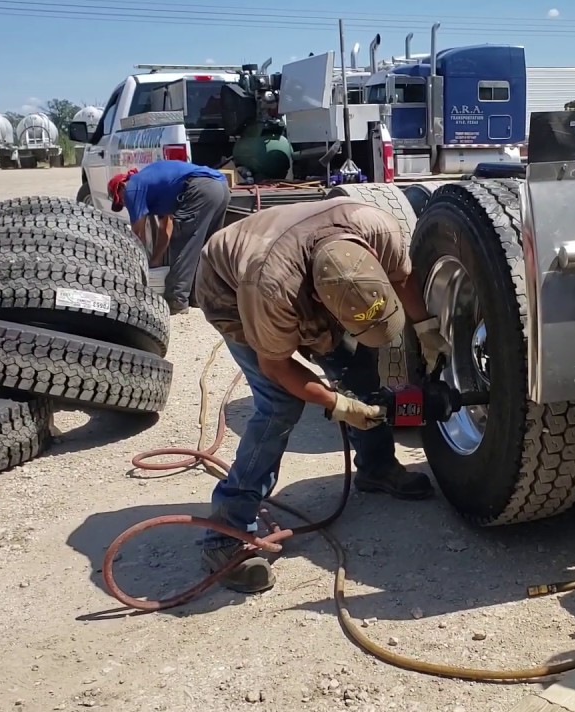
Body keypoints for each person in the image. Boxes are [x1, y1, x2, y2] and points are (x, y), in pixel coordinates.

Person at [193, 196, 451, 593]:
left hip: (293, 259)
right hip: (232, 286)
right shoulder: (271, 289)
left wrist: (426, 329)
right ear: (318, 301)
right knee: (279, 404)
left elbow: (402, 279)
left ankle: (376, 467)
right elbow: (276, 367)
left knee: (360, 369)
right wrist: (338, 405)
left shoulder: (379, 230)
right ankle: (226, 535)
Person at [107, 159, 231, 313]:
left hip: (200, 188)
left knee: (184, 244)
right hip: (221, 187)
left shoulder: (132, 188)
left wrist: (136, 266)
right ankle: (198, 297)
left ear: (121, 187)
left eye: (121, 201)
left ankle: (176, 300)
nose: (125, 205)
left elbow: (137, 236)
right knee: (205, 247)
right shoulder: (154, 186)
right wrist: (156, 259)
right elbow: (165, 228)